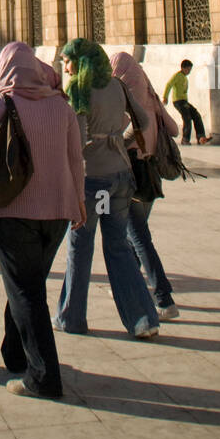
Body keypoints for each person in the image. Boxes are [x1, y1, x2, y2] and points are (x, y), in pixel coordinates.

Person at [0, 42, 85, 399]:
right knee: (28, 286)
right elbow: (75, 160)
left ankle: (44, 377)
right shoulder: (62, 107)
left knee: (26, 291)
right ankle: (14, 355)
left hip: (15, 213)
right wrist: (79, 204)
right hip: (57, 215)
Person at [54, 38, 161, 341]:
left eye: (68, 61)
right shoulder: (118, 85)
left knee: (80, 247)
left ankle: (72, 318)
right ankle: (143, 320)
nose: (65, 67)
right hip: (121, 177)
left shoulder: (78, 88)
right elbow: (143, 120)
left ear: (81, 62)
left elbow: (77, 143)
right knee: (119, 247)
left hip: (93, 181)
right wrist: (117, 140)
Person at [111, 52, 180, 321]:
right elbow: (173, 129)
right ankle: (130, 284)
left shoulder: (126, 101)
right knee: (135, 236)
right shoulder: (151, 97)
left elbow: (119, 135)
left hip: (130, 175)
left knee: (139, 238)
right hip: (151, 175)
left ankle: (164, 298)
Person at [163, 59, 212, 145]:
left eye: (190, 70)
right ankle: (185, 139)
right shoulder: (177, 76)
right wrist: (165, 97)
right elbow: (169, 85)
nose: (189, 71)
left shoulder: (184, 77)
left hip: (184, 102)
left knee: (196, 115)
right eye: (188, 69)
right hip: (178, 101)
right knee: (187, 118)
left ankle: (201, 137)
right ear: (183, 68)